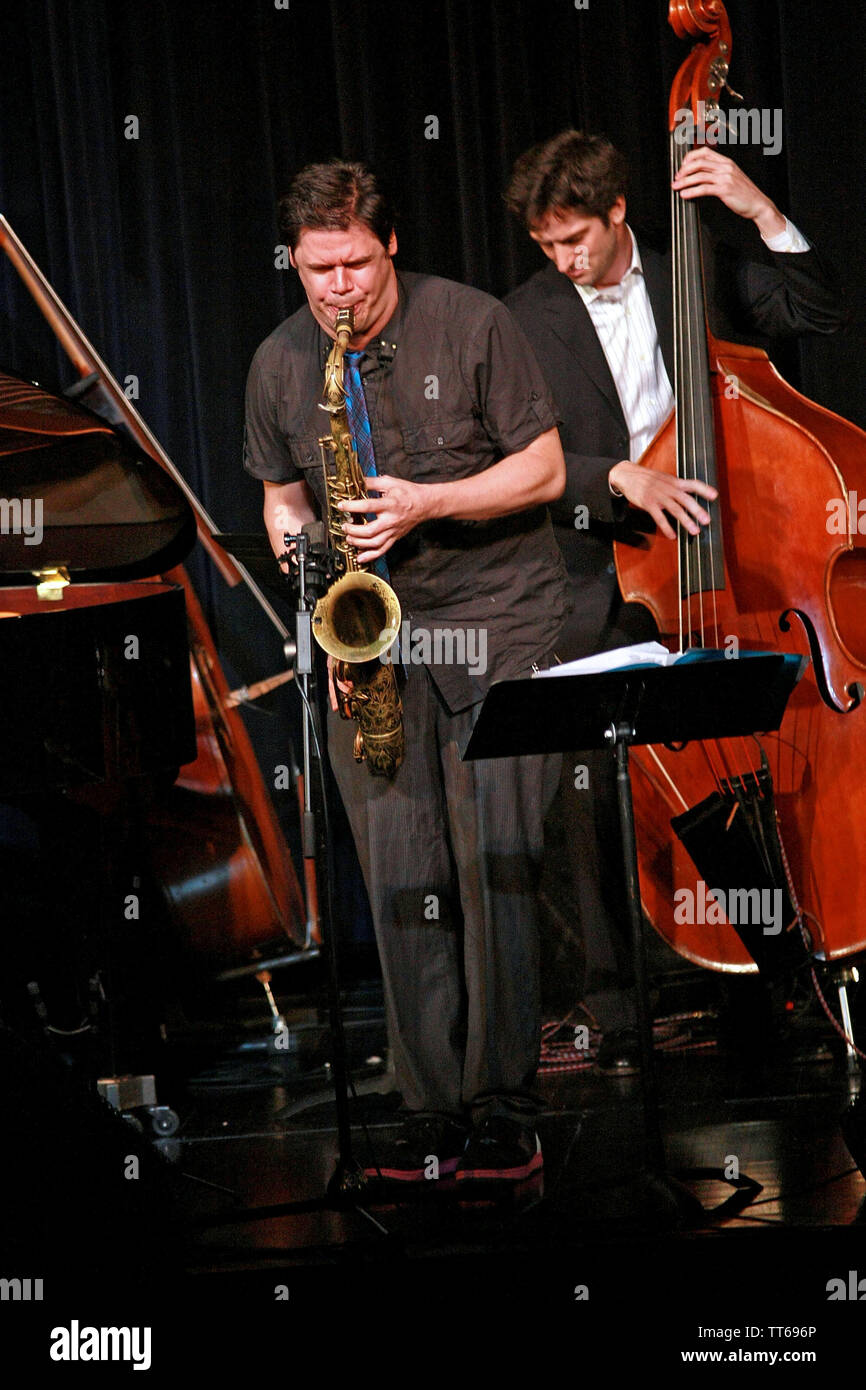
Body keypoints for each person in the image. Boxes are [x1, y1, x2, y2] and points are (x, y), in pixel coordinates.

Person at [244, 159, 569, 1182]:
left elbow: (547, 468)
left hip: (496, 622)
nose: (336, 287)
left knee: (493, 869)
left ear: (388, 246)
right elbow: (281, 498)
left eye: (352, 263)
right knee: (402, 874)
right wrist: (315, 586)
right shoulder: (280, 362)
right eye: (314, 269)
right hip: (372, 645)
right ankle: (427, 1102)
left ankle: (503, 1101)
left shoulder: (471, 322)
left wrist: (427, 504)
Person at [504, 130, 843, 1072]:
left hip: (738, 564)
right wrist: (616, 480)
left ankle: (785, 968)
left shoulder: (692, 268)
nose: (564, 261)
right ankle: (618, 1002)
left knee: (770, 756)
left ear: (620, 212)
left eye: (576, 239)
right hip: (603, 571)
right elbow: (517, 462)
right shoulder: (523, 316)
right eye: (547, 246)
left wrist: (757, 207)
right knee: (589, 788)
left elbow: (818, 309)